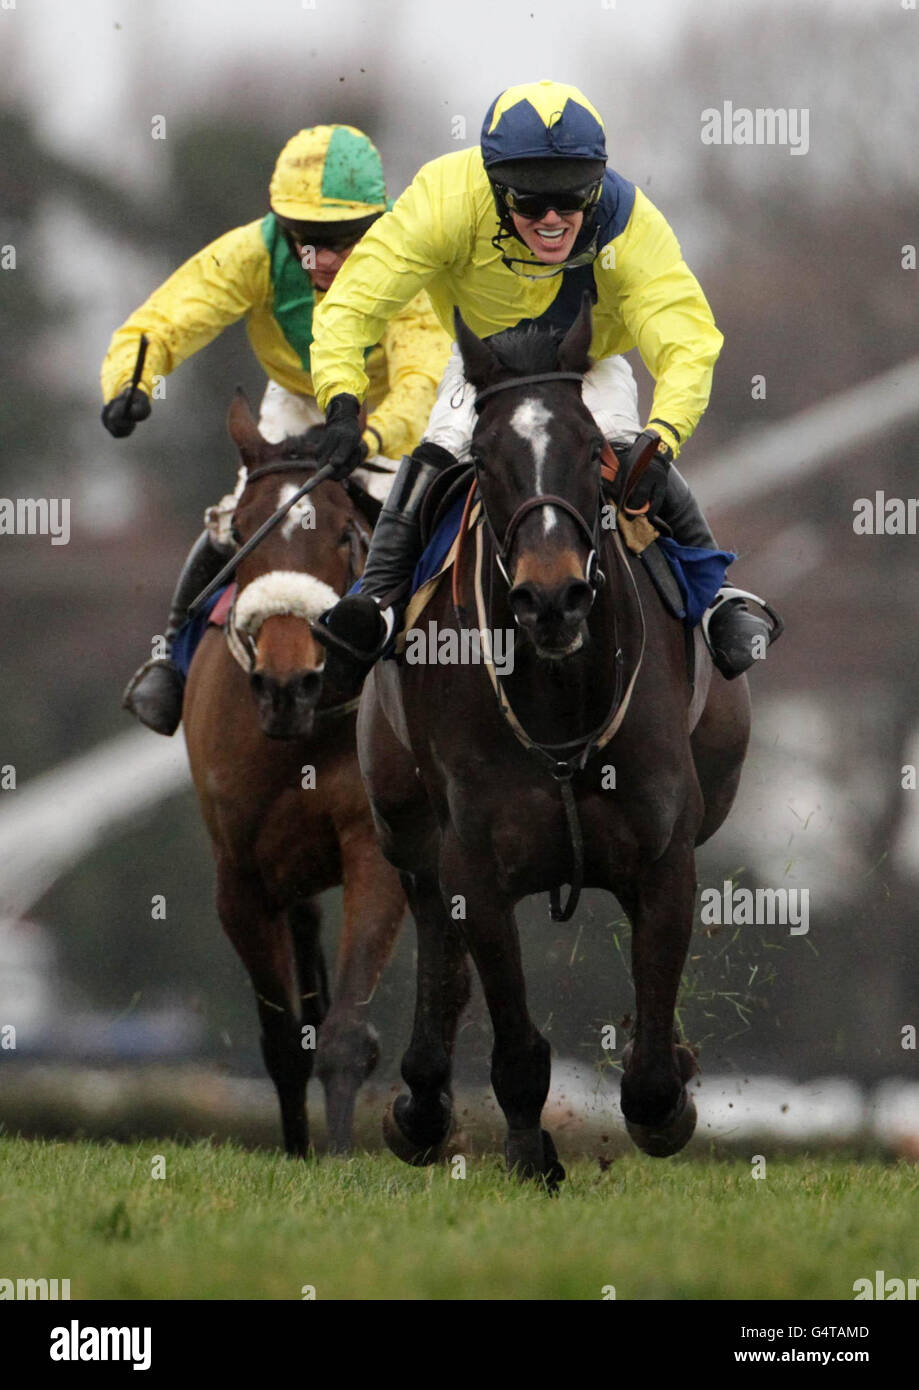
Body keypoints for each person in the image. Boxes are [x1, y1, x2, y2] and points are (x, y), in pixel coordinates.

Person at [307, 81, 778, 683]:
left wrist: (664, 436)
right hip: (486, 363)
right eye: (530, 204)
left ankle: (717, 599)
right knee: (440, 446)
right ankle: (376, 603)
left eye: (572, 199)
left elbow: (686, 339)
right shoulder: (445, 200)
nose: (553, 220)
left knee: (630, 450)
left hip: (584, 364)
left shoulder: (628, 221)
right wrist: (343, 402)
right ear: (496, 188)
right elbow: (352, 307)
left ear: (597, 182)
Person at [100, 123, 451, 734]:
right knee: (237, 514)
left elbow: (422, 382)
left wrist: (369, 437)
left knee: (416, 512)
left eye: (343, 241)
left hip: (392, 406)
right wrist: (129, 382)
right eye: (306, 242)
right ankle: (173, 664)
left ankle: (470, 665)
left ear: (376, 224)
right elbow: (169, 317)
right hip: (298, 399)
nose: (322, 260)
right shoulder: (252, 252)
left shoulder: (408, 254)